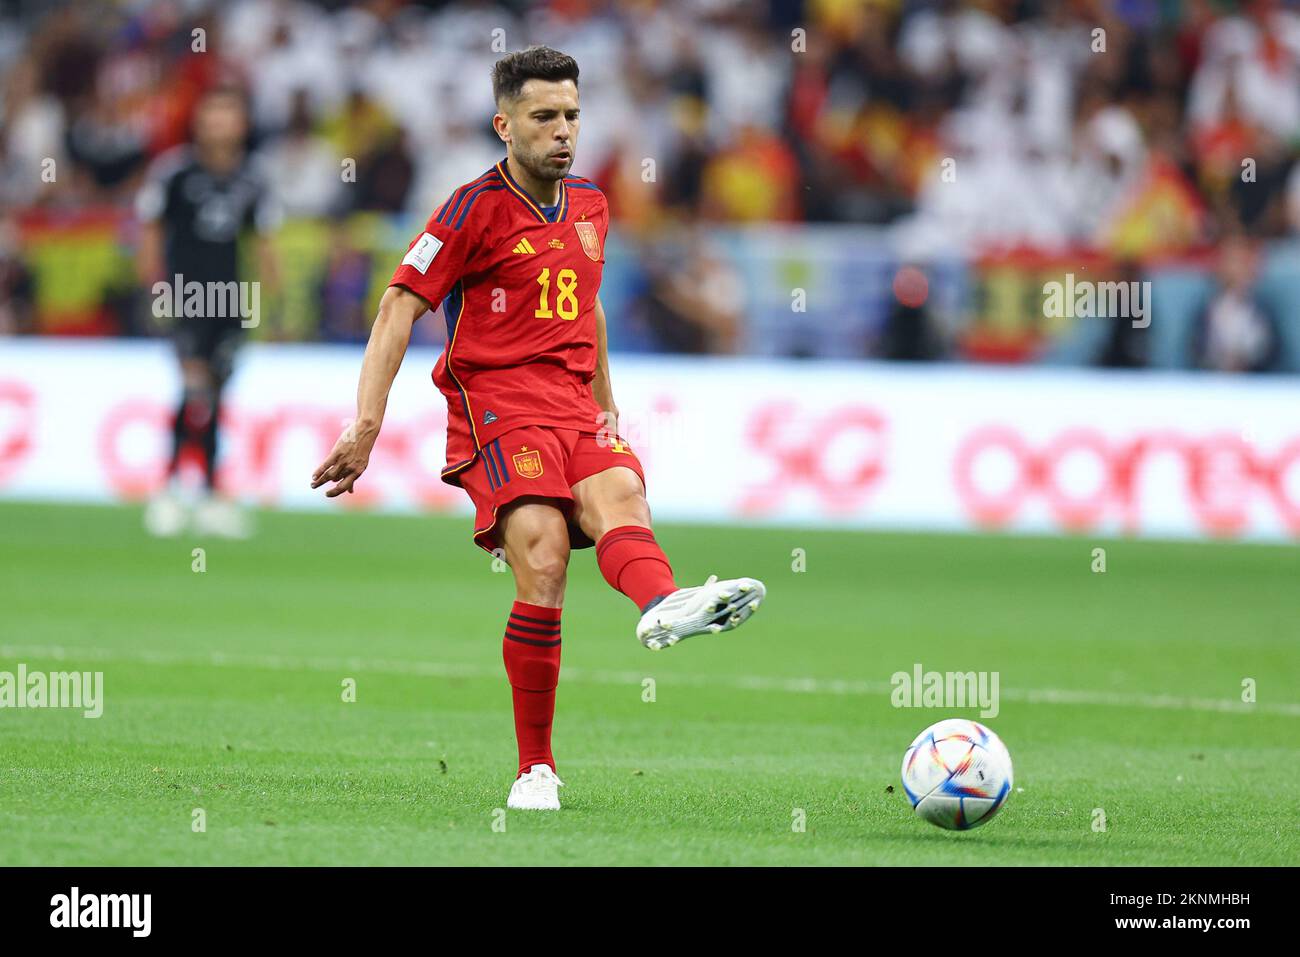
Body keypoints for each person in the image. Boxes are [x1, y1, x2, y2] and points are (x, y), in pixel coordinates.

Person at [311, 47, 766, 811]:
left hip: (571, 401)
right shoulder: (468, 210)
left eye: (573, 116)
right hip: (497, 405)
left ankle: (662, 602)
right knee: (546, 558)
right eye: (544, 117)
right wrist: (366, 425)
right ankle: (536, 768)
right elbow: (397, 307)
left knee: (621, 490)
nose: (563, 132)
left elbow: (588, 305)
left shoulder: (590, 202)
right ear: (505, 125)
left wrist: (608, 401)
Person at [137, 85, 280, 537]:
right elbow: (151, 233)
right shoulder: (175, 172)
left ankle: (211, 494)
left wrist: (272, 304)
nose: (221, 124)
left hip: (230, 302)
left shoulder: (252, 179)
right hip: (184, 297)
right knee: (193, 386)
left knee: (216, 395)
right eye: (213, 115)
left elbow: (262, 243)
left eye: (229, 115)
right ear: (200, 122)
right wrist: (155, 290)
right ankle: (170, 490)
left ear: (241, 124)